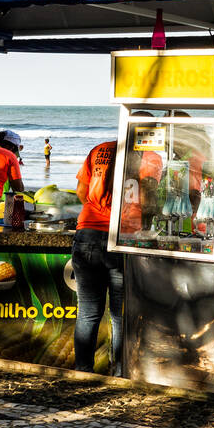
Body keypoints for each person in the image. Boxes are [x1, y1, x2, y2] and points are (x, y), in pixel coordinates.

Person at [72, 139, 125, 375]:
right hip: (119, 237)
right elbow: (149, 199)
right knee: (120, 314)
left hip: (86, 232)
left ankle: (83, 371)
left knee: (87, 312)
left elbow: (81, 190)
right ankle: (120, 372)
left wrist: (97, 212)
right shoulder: (146, 155)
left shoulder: (99, 149)